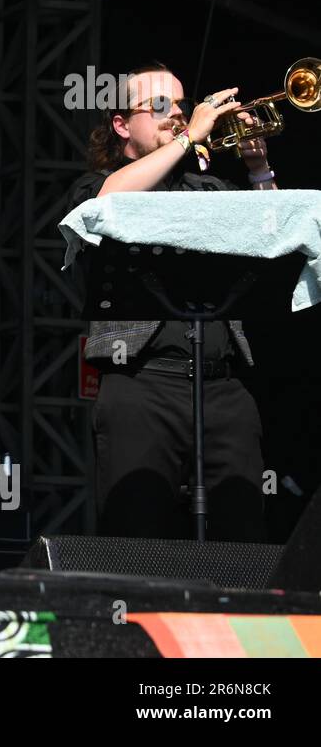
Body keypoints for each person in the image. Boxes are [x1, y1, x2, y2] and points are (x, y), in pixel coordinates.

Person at [67, 62, 276, 541]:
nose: (177, 114)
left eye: (180, 105)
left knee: (243, 541)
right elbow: (107, 203)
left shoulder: (210, 189)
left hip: (224, 391)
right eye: (160, 106)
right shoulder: (96, 185)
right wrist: (189, 138)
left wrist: (257, 167)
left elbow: (276, 236)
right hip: (141, 387)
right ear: (122, 124)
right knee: (137, 541)